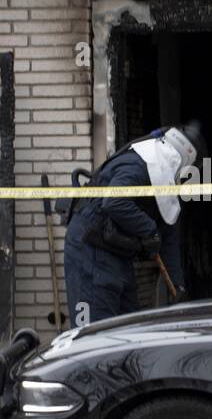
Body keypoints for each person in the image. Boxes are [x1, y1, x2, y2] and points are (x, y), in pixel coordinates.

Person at [62, 124, 201, 325]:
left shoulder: (163, 182)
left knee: (128, 328)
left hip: (118, 255)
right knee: (93, 333)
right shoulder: (138, 166)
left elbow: (167, 236)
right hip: (90, 250)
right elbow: (114, 202)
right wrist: (148, 230)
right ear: (180, 162)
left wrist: (177, 286)